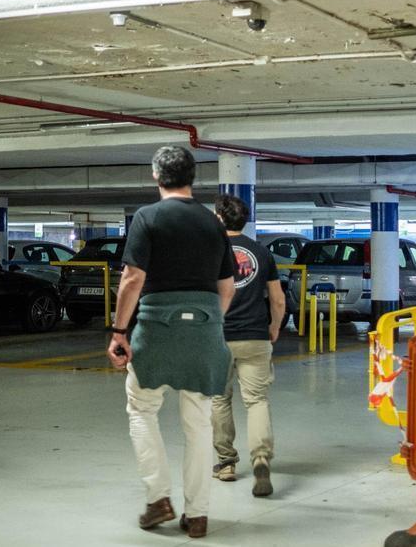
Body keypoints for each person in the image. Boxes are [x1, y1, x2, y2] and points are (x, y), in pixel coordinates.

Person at [106, 146, 235, 539]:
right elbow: (227, 287)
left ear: (155, 176)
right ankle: (198, 515)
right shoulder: (214, 224)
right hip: (205, 329)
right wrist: (210, 324)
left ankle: (158, 498)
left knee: (142, 408)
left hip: (156, 328)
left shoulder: (148, 217)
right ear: (192, 177)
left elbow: (132, 279)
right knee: (198, 422)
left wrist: (119, 331)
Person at [211, 195, 285, 497]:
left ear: (219, 218)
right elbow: (277, 299)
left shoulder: (209, 252)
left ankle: (226, 463)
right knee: (256, 401)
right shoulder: (261, 252)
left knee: (219, 399)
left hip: (218, 337)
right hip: (255, 335)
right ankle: (261, 458)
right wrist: (274, 326)